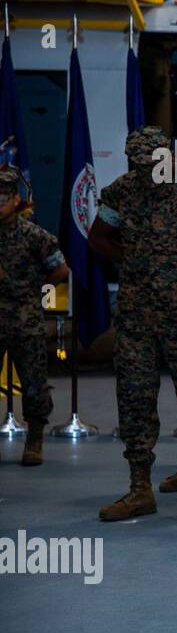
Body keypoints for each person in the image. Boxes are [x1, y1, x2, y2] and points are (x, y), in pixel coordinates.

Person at [90, 126, 177, 521]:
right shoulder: (121, 191)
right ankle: (139, 487)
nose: (146, 171)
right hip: (137, 316)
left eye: (153, 163)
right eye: (139, 164)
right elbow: (98, 238)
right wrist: (133, 262)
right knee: (134, 398)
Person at [0, 166, 67, 465]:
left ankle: (35, 438)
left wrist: (33, 292)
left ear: (16, 199)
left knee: (34, 383)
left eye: (3, 198)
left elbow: (61, 270)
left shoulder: (34, 236)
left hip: (24, 318)